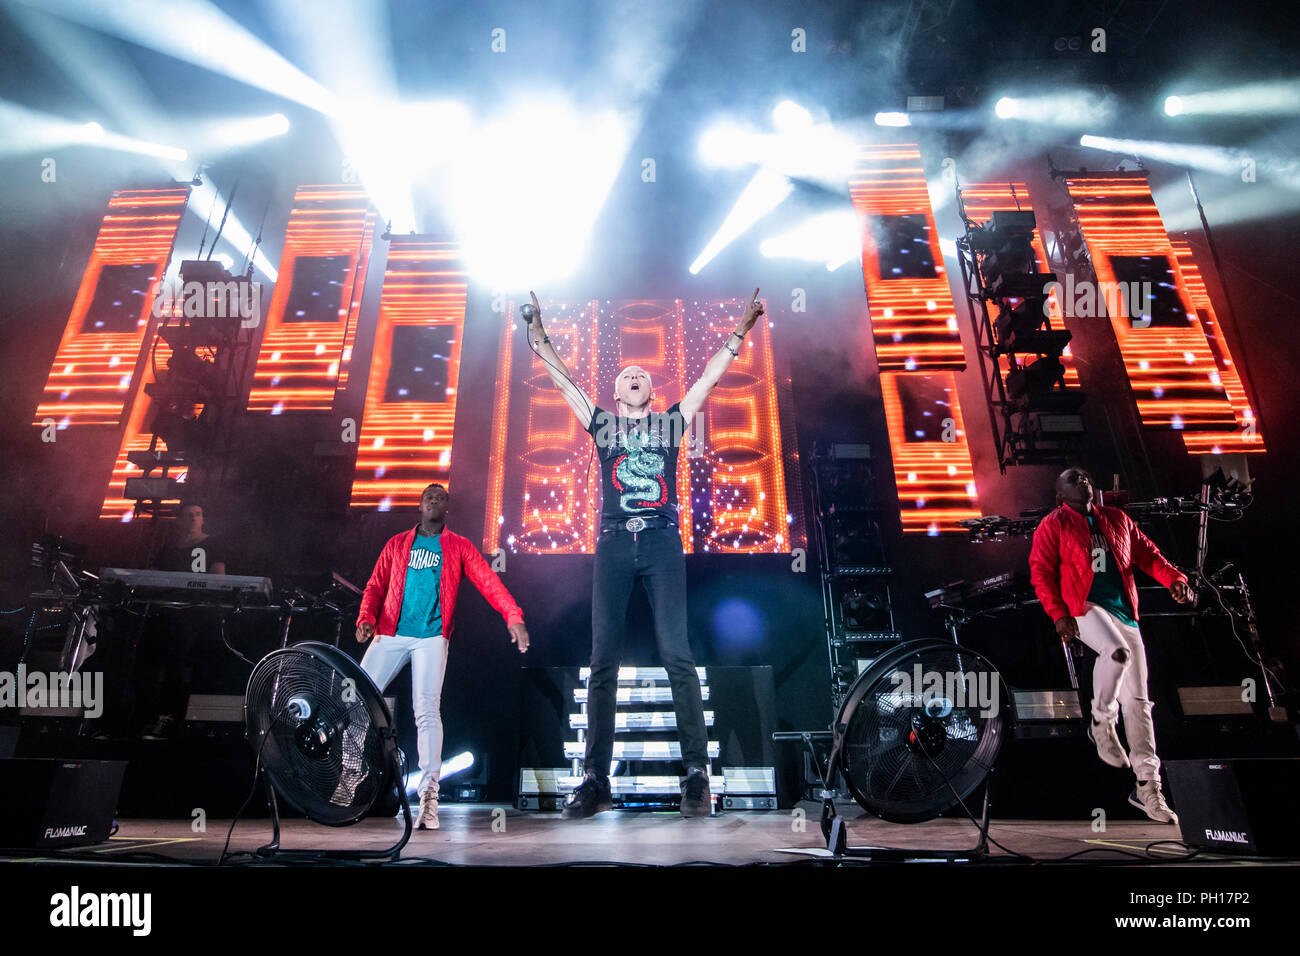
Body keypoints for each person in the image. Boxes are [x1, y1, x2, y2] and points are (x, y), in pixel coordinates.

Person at [524, 288, 766, 818]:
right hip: (612, 543)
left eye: (641, 374)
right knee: (602, 658)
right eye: (624, 375)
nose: (633, 375)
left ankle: (697, 776)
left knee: (676, 653)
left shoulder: (671, 424)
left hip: (660, 541)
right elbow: (564, 383)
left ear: (652, 391)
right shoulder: (602, 424)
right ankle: (594, 779)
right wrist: (538, 335)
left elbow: (708, 380)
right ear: (615, 394)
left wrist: (740, 329)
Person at [354, 482, 529, 830]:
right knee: (356, 699)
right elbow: (375, 585)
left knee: (427, 711)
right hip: (390, 632)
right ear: (419, 506)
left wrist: (514, 617)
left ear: (446, 507)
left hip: (431, 638)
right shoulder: (397, 544)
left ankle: (429, 798)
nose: (433, 501)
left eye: (440, 498)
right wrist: (365, 618)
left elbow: (489, 582)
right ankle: (347, 773)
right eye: (427, 497)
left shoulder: (458, 546)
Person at [1028, 467, 1193, 824]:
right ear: (1060, 495)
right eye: (1073, 478)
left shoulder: (1116, 518)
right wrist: (1058, 614)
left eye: (1085, 476)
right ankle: (1101, 723)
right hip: (1083, 607)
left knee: (1138, 702)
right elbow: (1040, 572)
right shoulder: (1053, 525)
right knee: (1116, 652)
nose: (1083, 480)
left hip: (1124, 612)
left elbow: (1148, 556)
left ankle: (1148, 788)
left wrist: (1175, 580)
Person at [138, 501, 228, 739]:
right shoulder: (168, 548)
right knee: (159, 660)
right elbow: (154, 578)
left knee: (189, 662)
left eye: (198, 514)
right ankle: (159, 716)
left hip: (198, 612)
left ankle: (192, 719)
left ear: (203, 518)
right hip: (167, 612)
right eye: (189, 515)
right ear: (179, 520)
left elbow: (219, 578)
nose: (194, 519)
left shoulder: (212, 543)